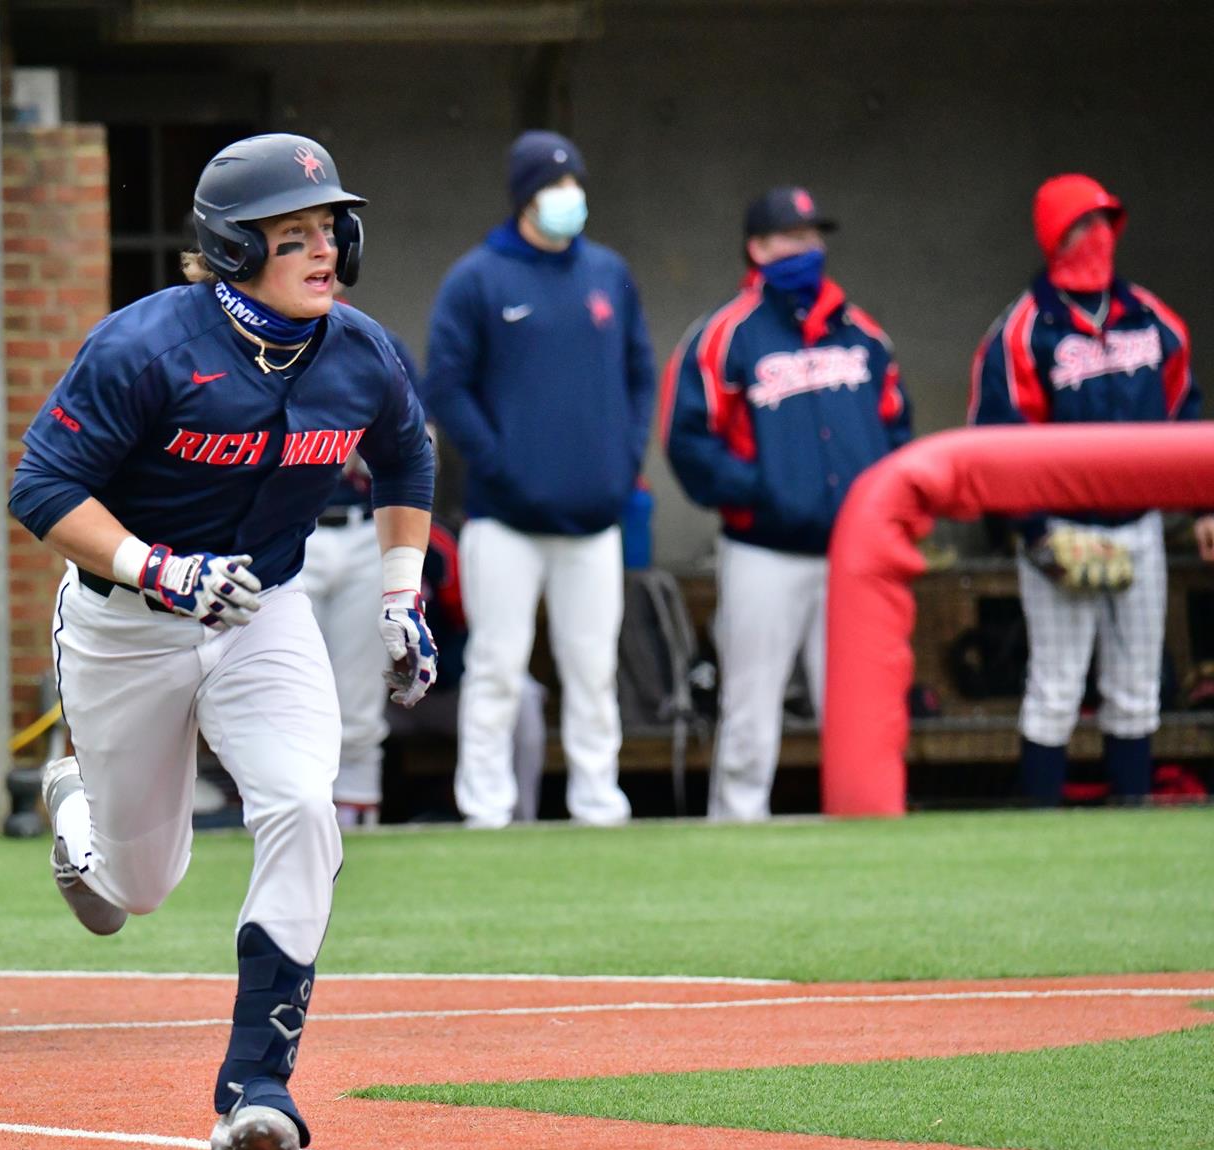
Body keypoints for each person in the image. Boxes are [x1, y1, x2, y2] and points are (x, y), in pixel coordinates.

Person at [7, 134, 436, 1150]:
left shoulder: (358, 351)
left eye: (332, 228)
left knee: (299, 804)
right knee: (133, 891)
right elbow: (41, 490)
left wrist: (399, 596)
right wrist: (157, 568)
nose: (325, 251)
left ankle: (257, 1085)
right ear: (231, 250)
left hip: (263, 611)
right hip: (123, 625)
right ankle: (76, 813)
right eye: (293, 236)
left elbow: (406, 453)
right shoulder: (144, 347)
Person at [423, 130, 655, 828]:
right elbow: (447, 387)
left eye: (575, 184)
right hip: (505, 518)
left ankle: (597, 797)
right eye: (556, 186)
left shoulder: (609, 274)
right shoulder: (477, 279)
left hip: (594, 515)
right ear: (526, 197)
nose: (570, 197)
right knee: (496, 665)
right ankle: (486, 806)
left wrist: (625, 455)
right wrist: (500, 462)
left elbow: (641, 374)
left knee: (592, 668)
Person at [664, 186, 913, 821]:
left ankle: (865, 838)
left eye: (812, 236)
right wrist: (760, 494)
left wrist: (886, 516)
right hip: (764, 552)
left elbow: (897, 431)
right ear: (757, 248)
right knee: (750, 709)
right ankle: (738, 838)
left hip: (853, 556)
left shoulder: (863, 333)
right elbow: (688, 444)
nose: (806, 248)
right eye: (791, 237)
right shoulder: (725, 335)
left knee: (857, 709)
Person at [967, 174, 1200, 804]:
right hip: (1062, 528)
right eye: (1079, 225)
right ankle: (1042, 822)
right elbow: (997, 441)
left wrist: (1205, 505)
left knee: (1136, 684)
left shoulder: (1153, 318)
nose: (1095, 236)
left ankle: (1131, 811)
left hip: (1139, 525)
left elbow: (1186, 414)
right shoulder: (1023, 329)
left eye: (1103, 223)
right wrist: (1035, 531)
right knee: (1057, 684)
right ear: (1053, 237)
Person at [300, 305, 424, 828]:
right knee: (281, 698)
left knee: (357, 703)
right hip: (289, 534)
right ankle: (284, 824)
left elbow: (415, 449)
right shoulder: (248, 350)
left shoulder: (375, 344)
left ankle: (357, 819)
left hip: (358, 527)